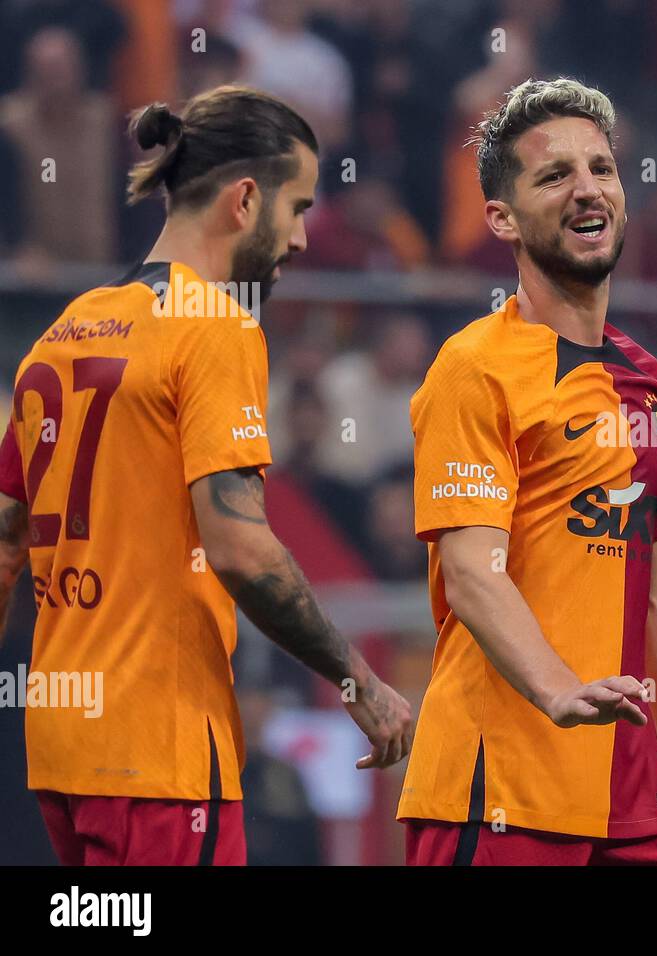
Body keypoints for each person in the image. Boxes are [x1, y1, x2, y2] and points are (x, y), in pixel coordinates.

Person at [0, 85, 411, 866]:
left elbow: (6, 536)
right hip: (160, 747)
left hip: (61, 748)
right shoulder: (217, 326)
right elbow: (241, 550)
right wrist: (359, 683)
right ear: (245, 198)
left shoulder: (64, 329)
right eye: (295, 209)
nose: (298, 240)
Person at [400, 77, 657, 866]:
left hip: (632, 790)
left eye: (602, 169)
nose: (587, 188)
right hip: (499, 787)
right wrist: (556, 687)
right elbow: (473, 571)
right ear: (502, 219)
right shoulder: (473, 366)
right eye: (555, 176)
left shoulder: (645, 376)